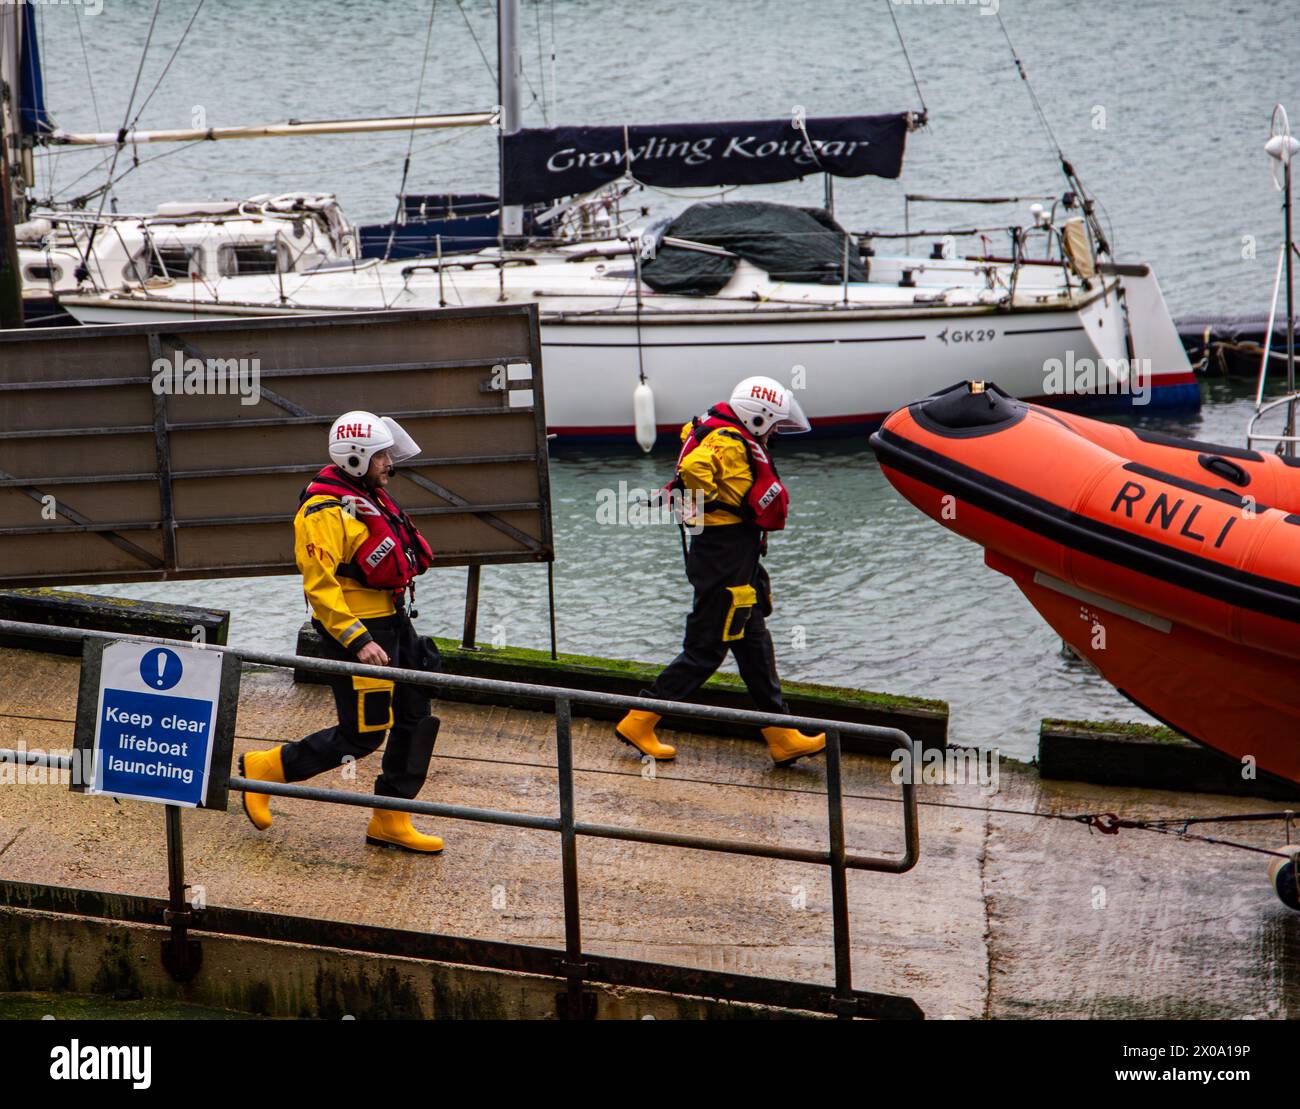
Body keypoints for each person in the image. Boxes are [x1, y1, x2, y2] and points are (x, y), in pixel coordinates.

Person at [239, 410, 445, 853]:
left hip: (395, 623)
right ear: (356, 458)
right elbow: (320, 587)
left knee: (417, 715)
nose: (391, 463)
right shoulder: (323, 512)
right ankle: (266, 769)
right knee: (363, 734)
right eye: (382, 456)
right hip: (360, 633)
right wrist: (359, 641)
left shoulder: (367, 497)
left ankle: (391, 817)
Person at [615, 376, 826, 767]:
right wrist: (703, 495)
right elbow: (695, 466)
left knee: (754, 644)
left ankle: (781, 735)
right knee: (706, 649)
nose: (777, 430)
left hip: (735, 553)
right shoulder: (727, 443)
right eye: (775, 423)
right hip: (722, 553)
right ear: (758, 418)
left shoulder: (735, 437)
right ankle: (639, 720)